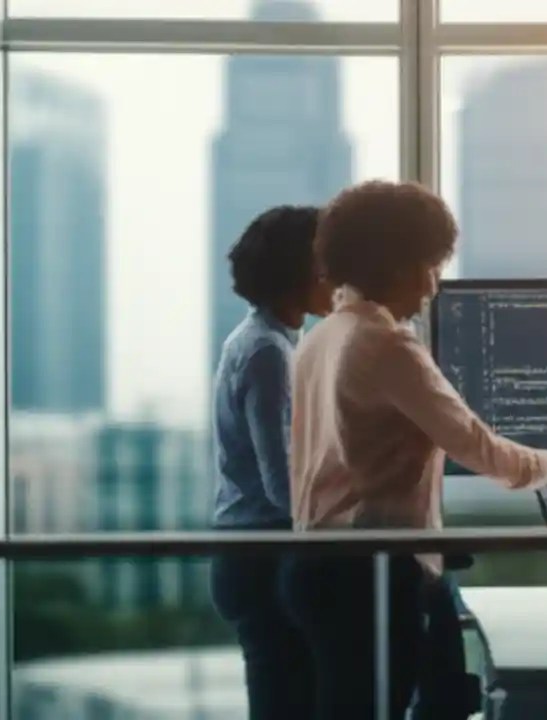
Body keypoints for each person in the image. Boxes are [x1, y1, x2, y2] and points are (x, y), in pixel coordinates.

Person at [284, 180, 547, 719]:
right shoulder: (385, 342)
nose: (434, 283)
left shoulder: (322, 336)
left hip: (318, 566)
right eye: (431, 263)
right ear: (399, 264)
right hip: (371, 575)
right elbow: (476, 445)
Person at [209, 204, 332, 720]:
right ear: (299, 273)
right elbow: (282, 484)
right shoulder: (268, 353)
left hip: (254, 553)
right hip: (262, 556)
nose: (338, 279)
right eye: (329, 266)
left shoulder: (269, 340)